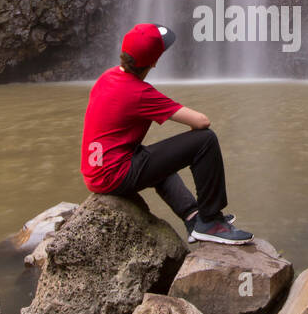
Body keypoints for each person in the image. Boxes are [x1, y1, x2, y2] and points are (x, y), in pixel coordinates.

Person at [80, 22, 254, 245]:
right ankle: (210, 221)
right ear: (154, 62)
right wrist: (194, 135)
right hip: (114, 176)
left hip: (97, 170)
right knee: (205, 140)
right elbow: (202, 121)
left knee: (158, 158)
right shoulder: (140, 93)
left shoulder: (108, 76)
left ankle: (193, 218)